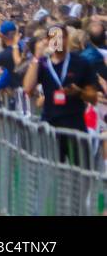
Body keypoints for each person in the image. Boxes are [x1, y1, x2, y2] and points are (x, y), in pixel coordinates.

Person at [22, 21, 99, 159]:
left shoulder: (80, 62)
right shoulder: (43, 63)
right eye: (54, 38)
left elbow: (93, 97)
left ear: (67, 37)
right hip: (50, 126)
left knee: (81, 172)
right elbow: (27, 89)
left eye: (61, 37)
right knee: (53, 172)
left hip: (75, 126)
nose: (58, 41)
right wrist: (36, 57)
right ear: (48, 40)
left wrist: (79, 92)